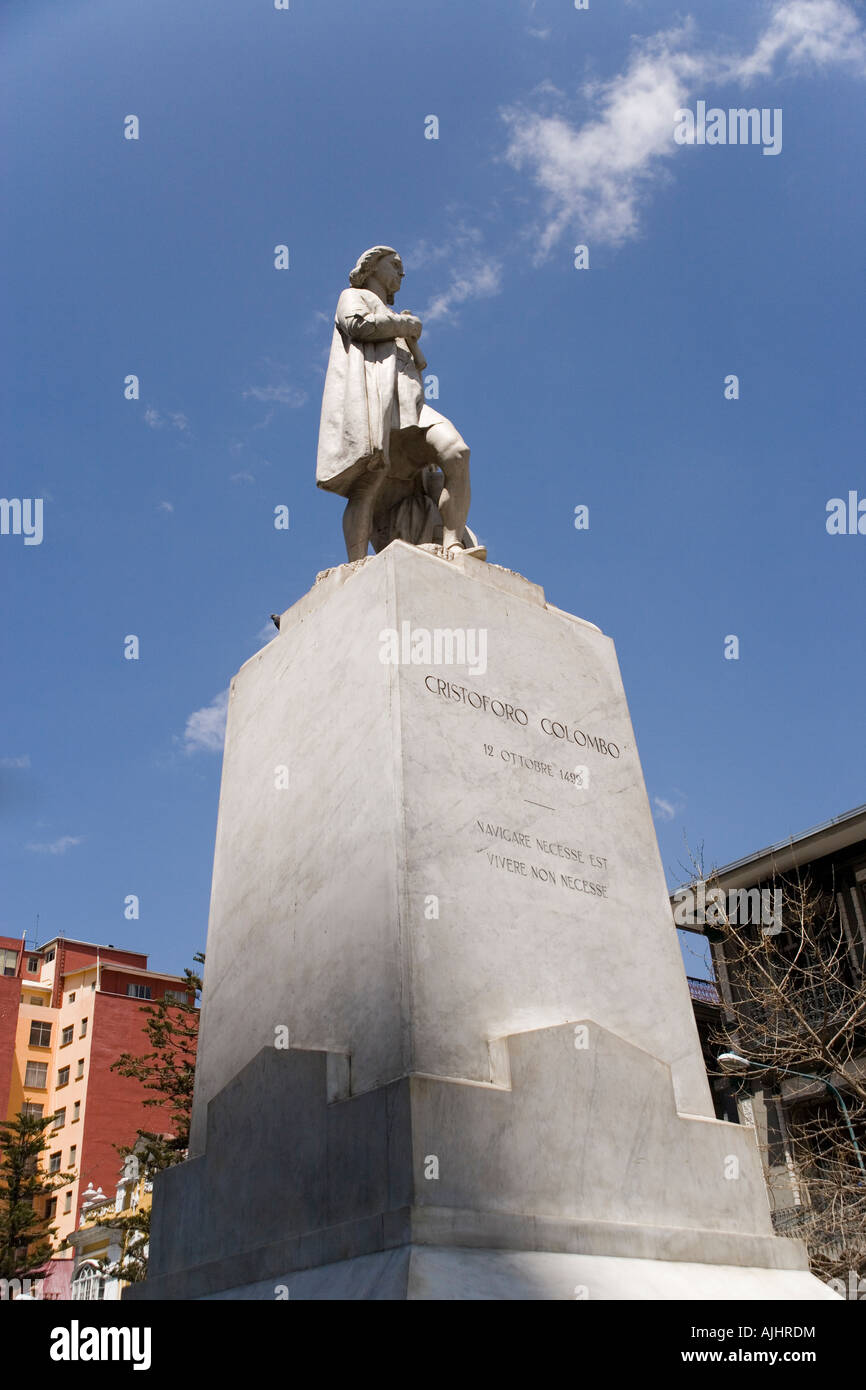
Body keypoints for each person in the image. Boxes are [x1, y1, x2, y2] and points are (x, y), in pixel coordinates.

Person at [316, 246, 485, 562]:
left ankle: (453, 545)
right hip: (376, 403)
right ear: (373, 266)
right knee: (369, 482)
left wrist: (402, 326)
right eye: (394, 265)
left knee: (456, 452)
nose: (401, 273)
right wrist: (402, 326)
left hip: (412, 405)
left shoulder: (394, 315)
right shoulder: (353, 296)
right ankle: (357, 563)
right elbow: (357, 324)